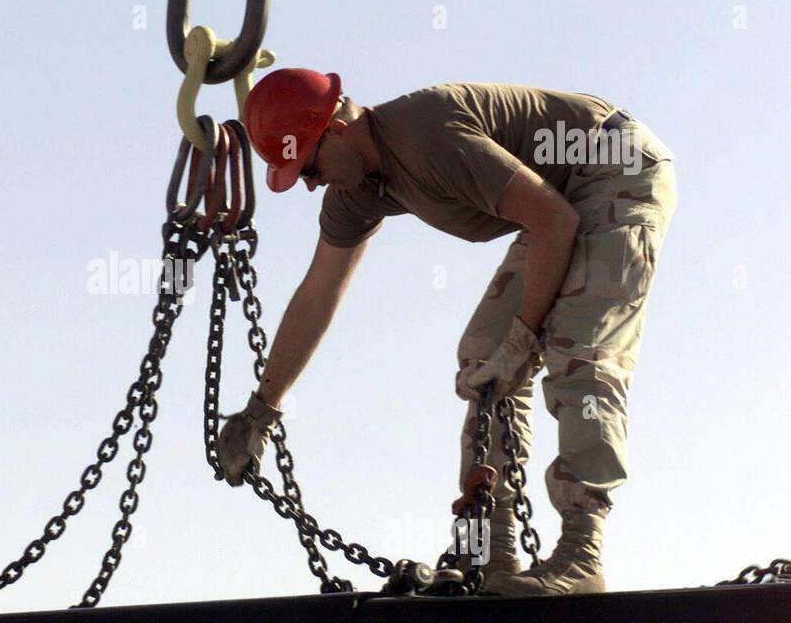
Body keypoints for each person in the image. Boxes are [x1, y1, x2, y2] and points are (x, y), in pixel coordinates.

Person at [215, 69, 677, 595]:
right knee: (485, 353)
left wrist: (523, 342)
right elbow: (317, 294)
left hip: (615, 167)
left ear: (337, 129)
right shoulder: (356, 190)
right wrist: (263, 409)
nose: (312, 183)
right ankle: (494, 554)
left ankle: (581, 552)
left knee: (580, 353)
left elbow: (554, 222)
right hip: (557, 203)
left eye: (308, 167)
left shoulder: (427, 137)